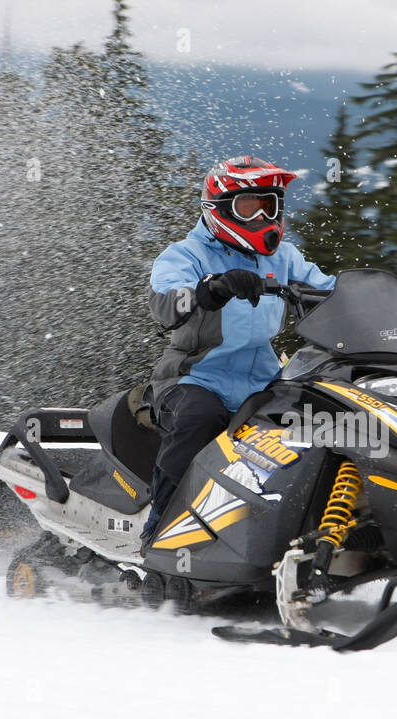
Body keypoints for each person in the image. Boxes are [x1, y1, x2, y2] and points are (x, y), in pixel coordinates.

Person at [142, 155, 337, 549]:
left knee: (315, 424)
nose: (263, 219)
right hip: (193, 377)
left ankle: (303, 533)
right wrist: (209, 288)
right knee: (201, 417)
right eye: (249, 208)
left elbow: (327, 289)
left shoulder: (282, 257)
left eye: (270, 207)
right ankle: (159, 527)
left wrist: (362, 298)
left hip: (264, 380)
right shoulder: (187, 254)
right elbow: (166, 300)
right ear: (219, 211)